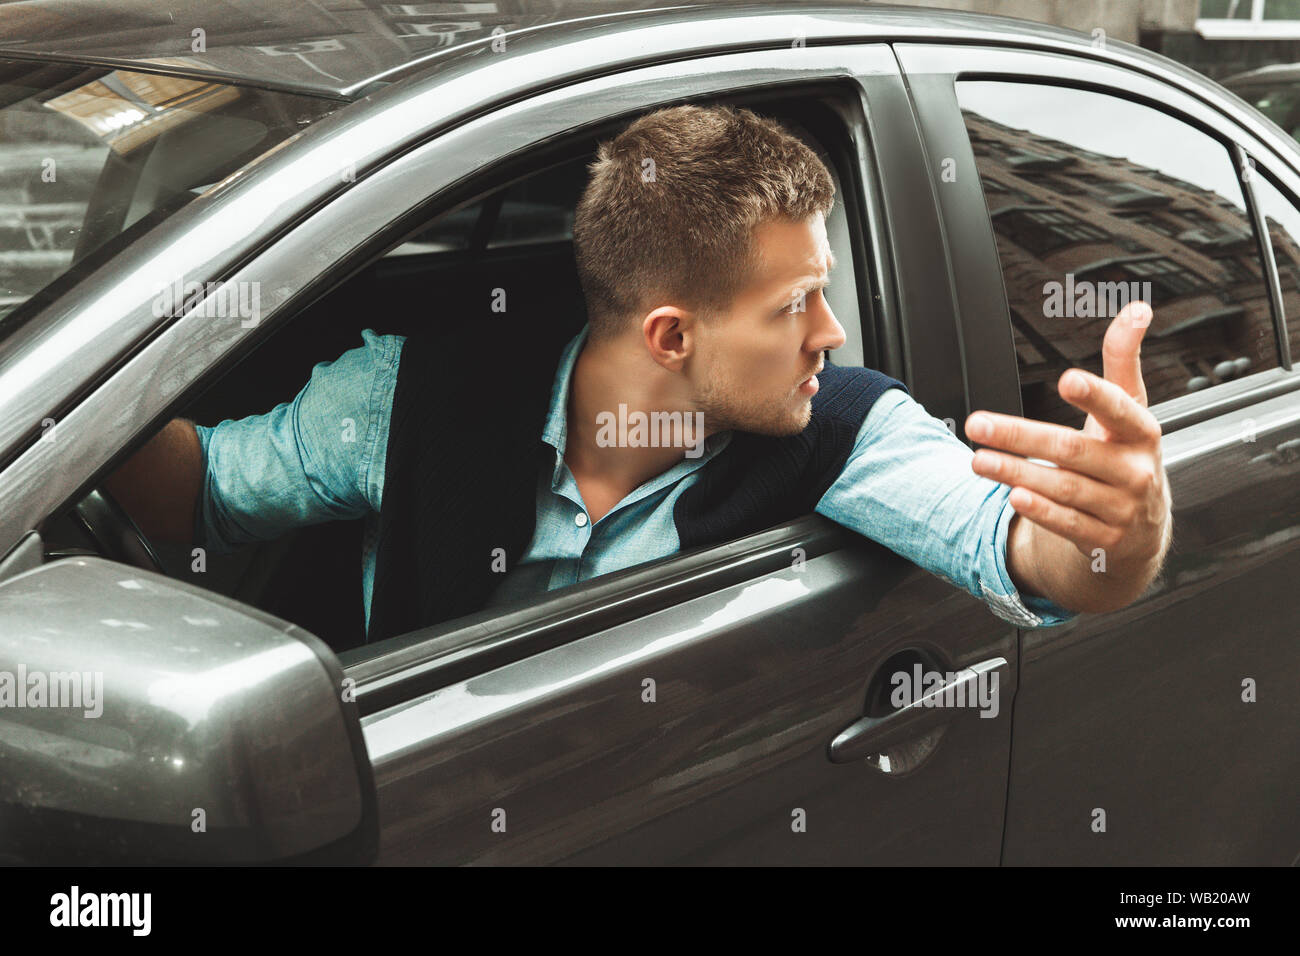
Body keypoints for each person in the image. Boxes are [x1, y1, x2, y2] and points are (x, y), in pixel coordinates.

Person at [105, 104, 1173, 644]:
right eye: (792, 304)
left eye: (825, 290)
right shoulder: (405, 395)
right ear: (670, 336)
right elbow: (189, 491)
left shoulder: (843, 427)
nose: (832, 334)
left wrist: (1118, 534)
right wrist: (75, 390)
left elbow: (1025, 554)